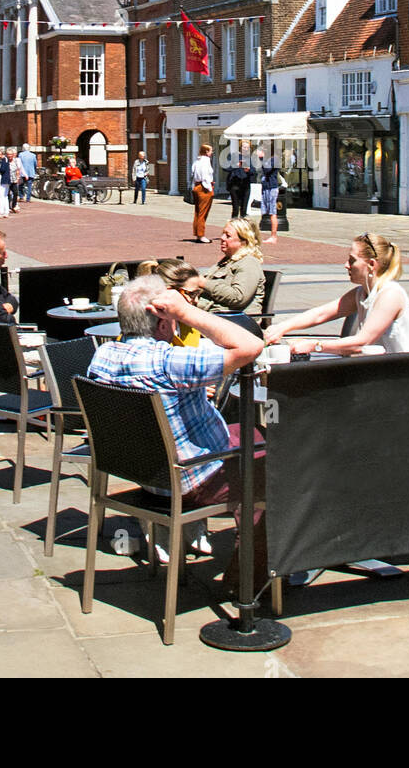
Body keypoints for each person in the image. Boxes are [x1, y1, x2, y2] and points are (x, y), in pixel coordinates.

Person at [87, 275, 265, 581]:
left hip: (142, 472)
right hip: (191, 477)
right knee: (276, 468)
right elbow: (251, 346)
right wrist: (187, 312)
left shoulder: (102, 356)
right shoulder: (167, 361)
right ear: (163, 321)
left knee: (256, 435)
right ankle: (249, 581)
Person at [264, 232, 409, 355]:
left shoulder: (390, 294)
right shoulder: (362, 292)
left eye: (352, 260)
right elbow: (321, 314)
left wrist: (314, 345)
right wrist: (283, 327)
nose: (346, 265)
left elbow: (361, 342)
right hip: (384, 371)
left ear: (371, 264)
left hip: (408, 375)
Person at [198, 218, 265, 314]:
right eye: (223, 234)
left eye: (228, 236)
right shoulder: (227, 262)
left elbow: (238, 297)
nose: (222, 238)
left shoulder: (249, 263)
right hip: (213, 317)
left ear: (244, 241)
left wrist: (203, 283)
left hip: (234, 322)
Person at [136, 258, 206, 345]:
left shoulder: (188, 322)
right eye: (192, 294)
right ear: (169, 291)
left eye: (198, 293)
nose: (196, 300)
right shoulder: (148, 331)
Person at [190, 144, 215, 242]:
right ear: (206, 152)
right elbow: (205, 176)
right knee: (203, 212)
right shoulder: (206, 161)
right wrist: (209, 188)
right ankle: (201, 235)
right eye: (210, 151)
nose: (211, 153)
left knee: (197, 211)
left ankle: (197, 233)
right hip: (204, 187)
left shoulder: (197, 161)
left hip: (196, 186)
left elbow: (192, 173)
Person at [258, 151, 280, 244]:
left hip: (272, 188)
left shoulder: (274, 159)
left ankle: (273, 236)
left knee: (272, 212)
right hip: (266, 187)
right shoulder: (269, 160)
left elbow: (267, 170)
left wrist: (262, 159)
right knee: (265, 211)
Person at [0, 148, 12, 217]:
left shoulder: (4, 160)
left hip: (4, 179)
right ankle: (6, 211)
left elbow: (2, 169)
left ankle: (1, 211)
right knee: (5, 196)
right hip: (7, 179)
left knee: (1, 195)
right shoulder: (6, 159)